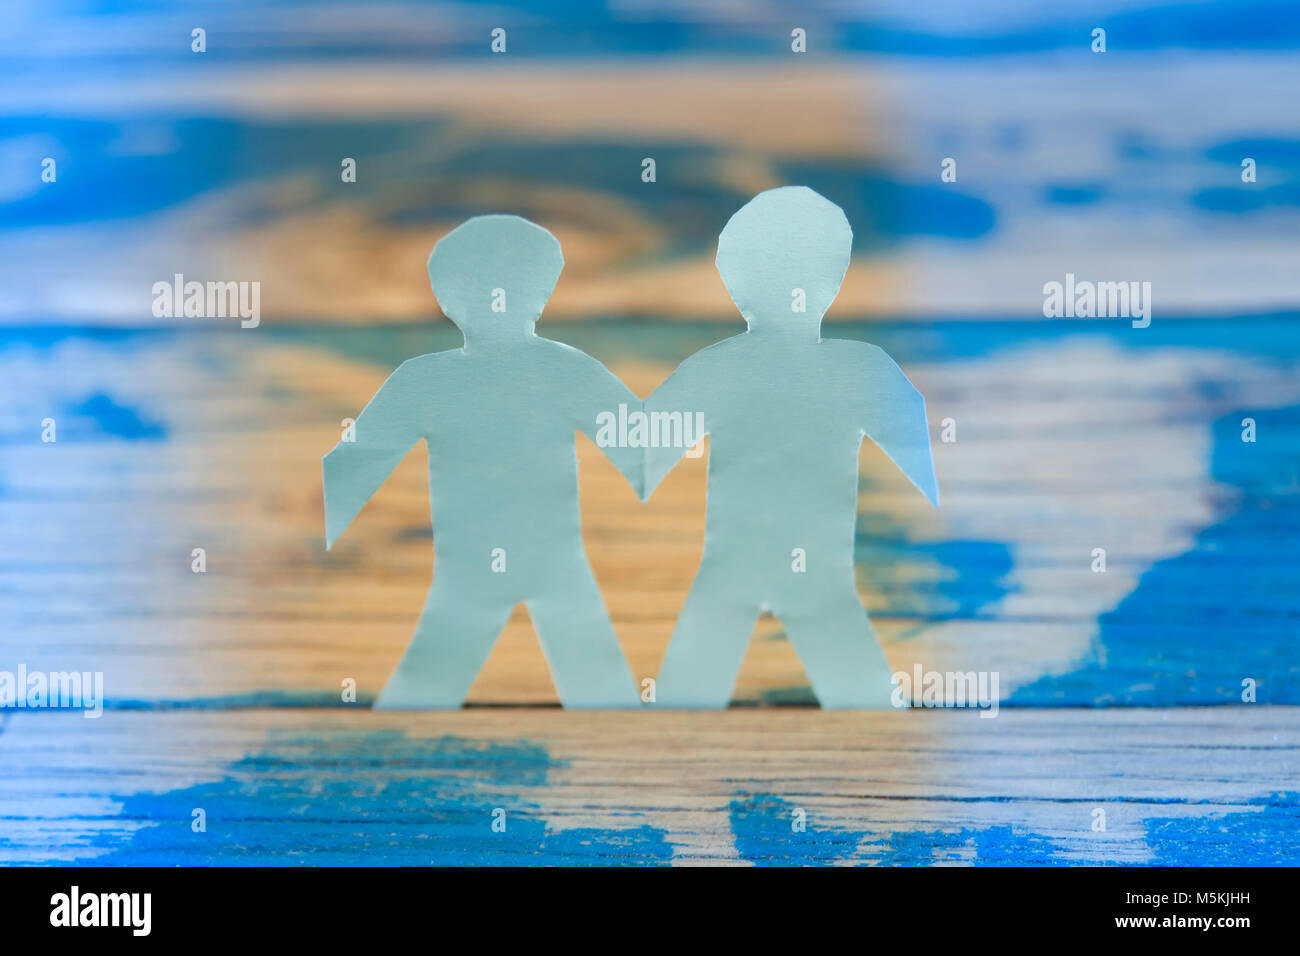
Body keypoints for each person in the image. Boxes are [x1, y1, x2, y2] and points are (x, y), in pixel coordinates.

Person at [323, 215, 642, 709]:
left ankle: (399, 752)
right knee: (597, 683)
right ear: (542, 292)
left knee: (431, 683)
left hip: (480, 558)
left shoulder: (423, 379)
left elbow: (352, 465)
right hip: (545, 554)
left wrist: (326, 527)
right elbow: (642, 446)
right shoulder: (564, 368)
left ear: (449, 301)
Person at [644, 186, 940, 709]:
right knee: (863, 703)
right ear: (835, 278)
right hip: (819, 568)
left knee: (685, 702)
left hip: (734, 561)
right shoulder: (864, 369)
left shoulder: (715, 367)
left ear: (734, 281)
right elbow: (922, 466)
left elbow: (644, 455)